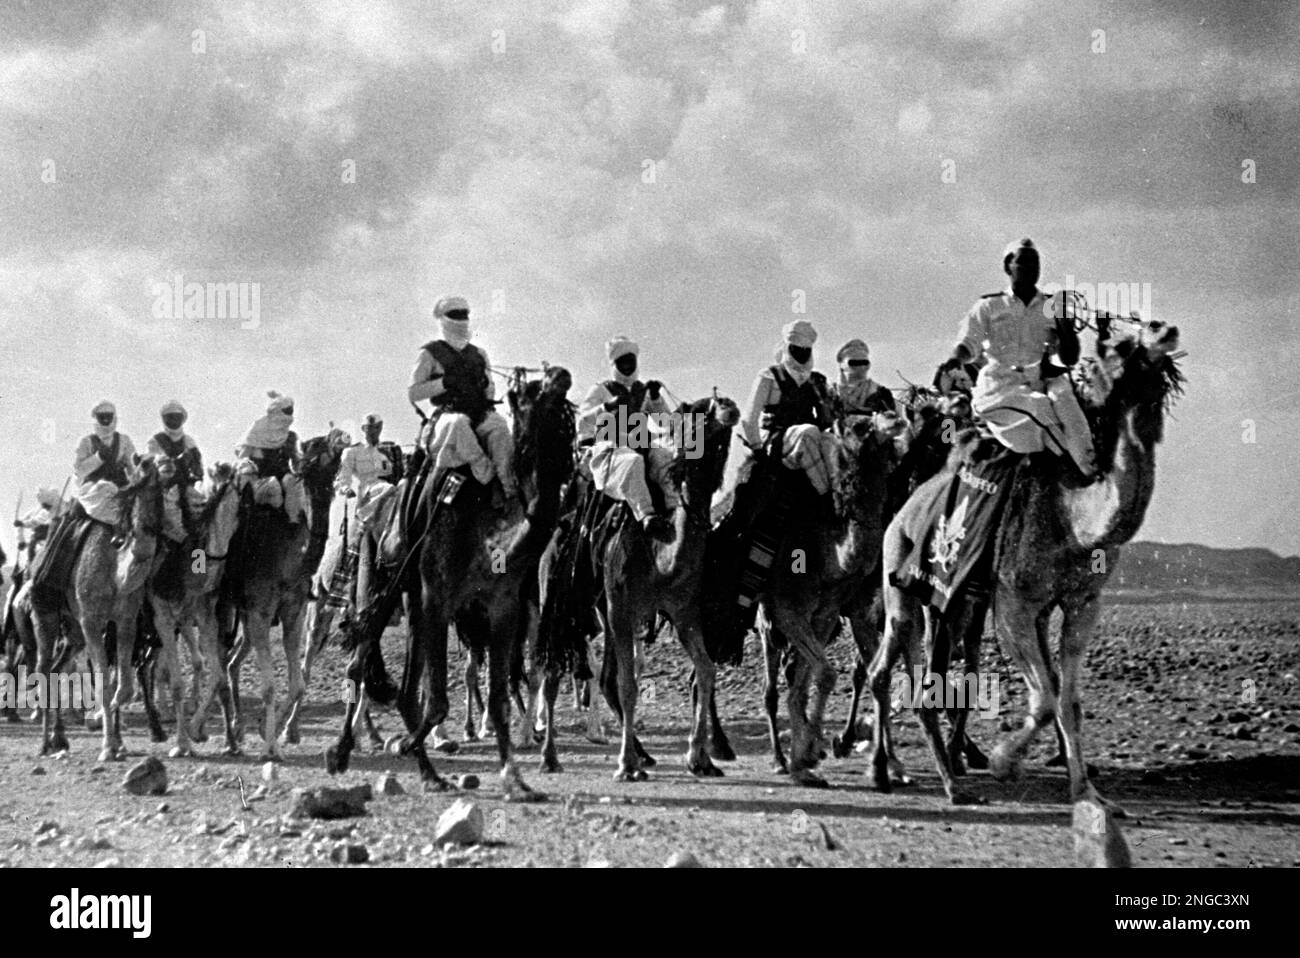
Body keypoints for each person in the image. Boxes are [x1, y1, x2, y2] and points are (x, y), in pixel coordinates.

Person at [942, 238, 1097, 479]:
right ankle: (1076, 471)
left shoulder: (1050, 306)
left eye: (1035, 262)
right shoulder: (989, 305)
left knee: (1069, 407)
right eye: (1023, 262)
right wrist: (956, 359)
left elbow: (1069, 359)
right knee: (1039, 408)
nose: (1031, 268)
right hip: (999, 389)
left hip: (1037, 382)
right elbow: (968, 343)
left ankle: (1092, 466)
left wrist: (1065, 326)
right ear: (1008, 266)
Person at [407, 296, 515, 504]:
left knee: (499, 427)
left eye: (464, 315)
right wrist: (444, 382)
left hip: (477, 412)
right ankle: (488, 478)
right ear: (443, 319)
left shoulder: (478, 354)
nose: (461, 320)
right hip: (445, 416)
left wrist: (482, 388)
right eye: (455, 315)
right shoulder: (430, 353)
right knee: (458, 424)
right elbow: (414, 393)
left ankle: (508, 490)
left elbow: (490, 388)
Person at [576, 336, 677, 537]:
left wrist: (656, 399)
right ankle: (646, 514)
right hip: (611, 450)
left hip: (643, 444)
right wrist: (607, 407)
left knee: (668, 460)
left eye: (631, 361)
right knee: (633, 462)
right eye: (623, 362)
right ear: (615, 365)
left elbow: (666, 422)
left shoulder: (643, 390)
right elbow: (583, 421)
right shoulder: (601, 389)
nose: (628, 366)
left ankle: (675, 509)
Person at [740, 320, 838, 503]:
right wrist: (757, 448)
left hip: (810, 436)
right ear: (787, 348)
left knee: (831, 441)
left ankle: (842, 493)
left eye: (805, 350)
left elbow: (827, 421)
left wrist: (827, 403)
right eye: (796, 349)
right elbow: (749, 418)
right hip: (775, 439)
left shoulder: (817, 380)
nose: (801, 354)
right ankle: (827, 498)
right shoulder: (769, 376)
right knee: (808, 433)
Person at [236, 391, 305, 523]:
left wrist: (301, 469)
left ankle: (293, 521)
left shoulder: (290, 437)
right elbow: (243, 458)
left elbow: (297, 461)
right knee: (273, 485)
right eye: (287, 411)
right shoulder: (256, 432)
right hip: (258, 480)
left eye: (290, 411)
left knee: (291, 481)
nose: (289, 416)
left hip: (282, 478)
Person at [147, 400, 204, 542]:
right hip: (163, 485)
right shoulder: (155, 440)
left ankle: (197, 546)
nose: (173, 420)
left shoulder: (189, 441)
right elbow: (154, 461)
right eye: (170, 417)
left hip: (185, 483)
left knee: (201, 508)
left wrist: (194, 464)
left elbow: (198, 467)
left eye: (177, 417)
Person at [73, 400, 137, 524]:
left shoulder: (124, 440)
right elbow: (79, 470)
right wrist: (98, 458)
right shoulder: (86, 442)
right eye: (102, 417)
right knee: (105, 488)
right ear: (96, 418)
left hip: (121, 485)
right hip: (95, 488)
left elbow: (132, 465)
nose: (106, 420)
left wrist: (135, 479)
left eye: (109, 416)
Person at [830, 339, 896, 416]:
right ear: (842, 365)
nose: (861, 366)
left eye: (864, 362)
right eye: (854, 362)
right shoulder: (829, 392)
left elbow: (892, 418)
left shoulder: (880, 393)